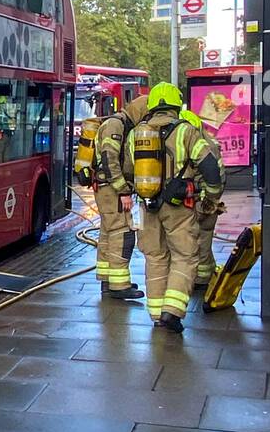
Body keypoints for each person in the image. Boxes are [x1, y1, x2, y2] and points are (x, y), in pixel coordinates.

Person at [125, 82, 224, 334]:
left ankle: (157, 314)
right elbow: (210, 167)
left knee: (155, 257)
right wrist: (212, 197)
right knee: (185, 256)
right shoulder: (187, 132)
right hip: (179, 205)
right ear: (176, 104)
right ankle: (173, 311)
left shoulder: (137, 133)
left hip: (147, 204)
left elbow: (127, 171)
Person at [93, 94, 148, 299]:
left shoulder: (121, 125)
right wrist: (123, 190)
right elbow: (110, 159)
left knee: (108, 233)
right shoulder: (115, 126)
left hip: (107, 187)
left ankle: (108, 281)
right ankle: (119, 285)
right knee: (122, 232)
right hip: (112, 189)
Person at [180, 108, 227, 289]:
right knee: (204, 237)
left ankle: (200, 279)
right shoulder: (209, 143)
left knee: (196, 238)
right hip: (211, 197)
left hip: (202, 199)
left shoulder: (198, 145)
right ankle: (206, 274)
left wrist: (205, 201)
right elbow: (220, 176)